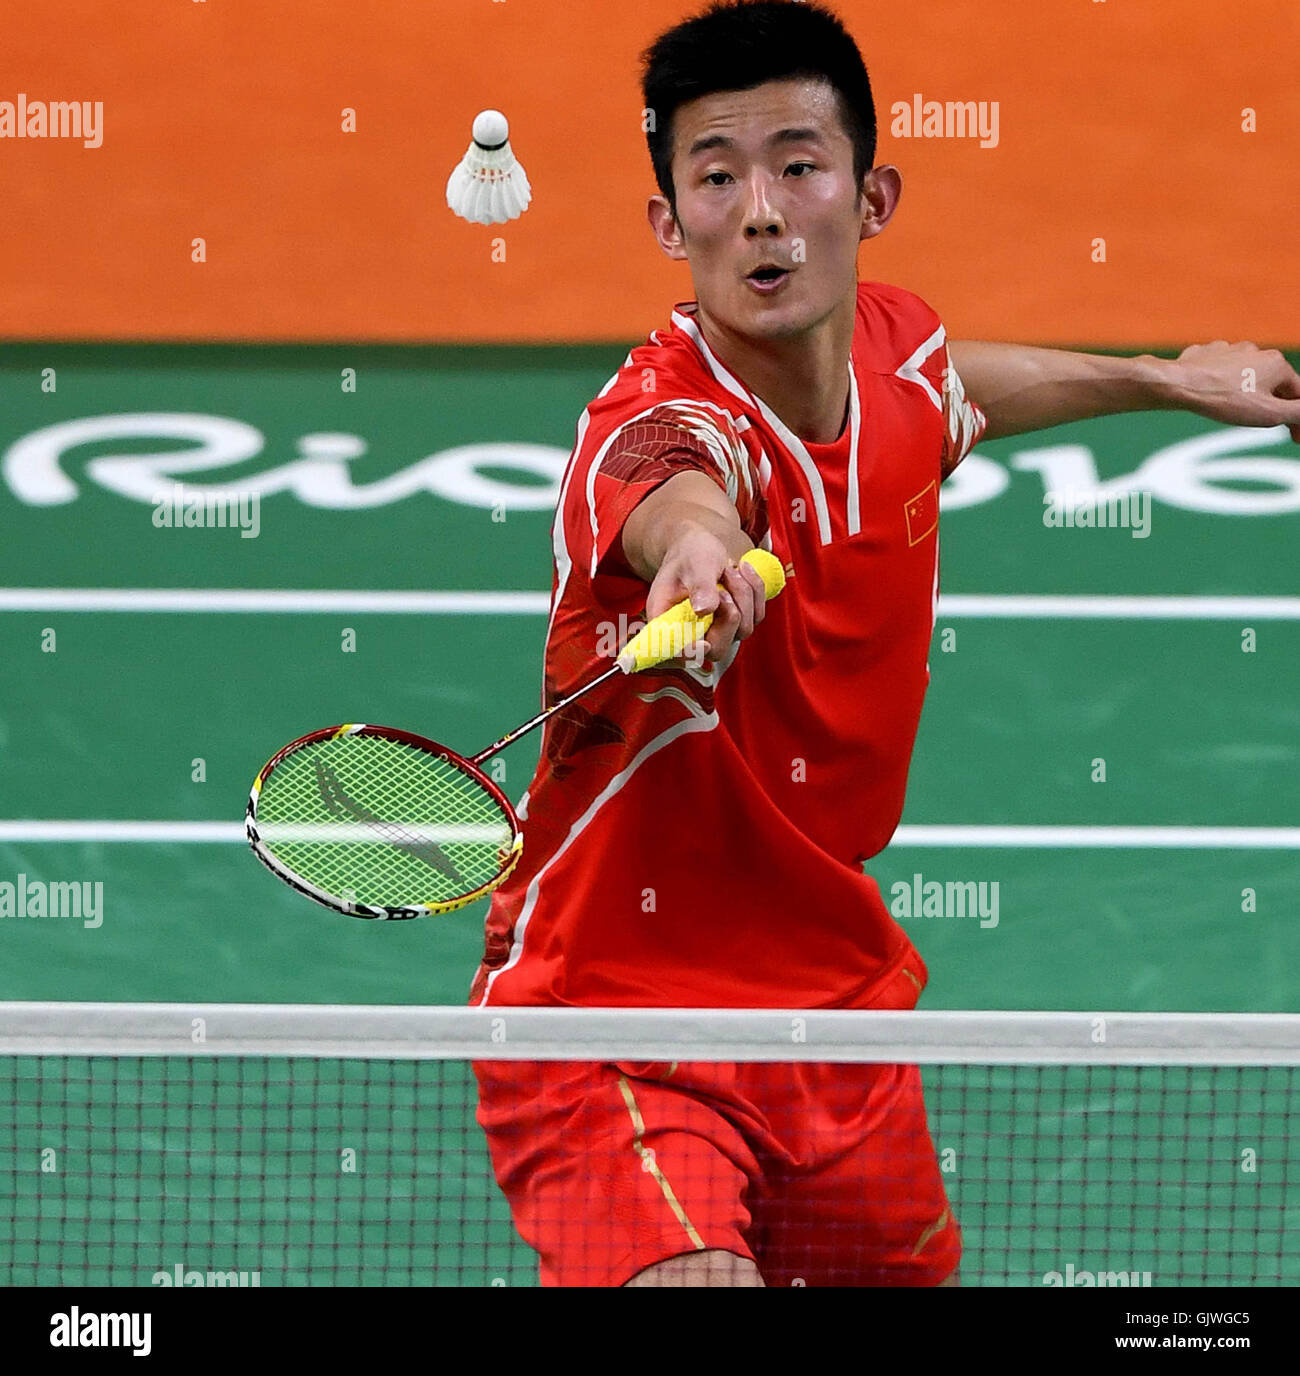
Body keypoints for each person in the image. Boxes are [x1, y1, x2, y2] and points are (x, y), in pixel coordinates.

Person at [470, 0, 1300, 1287]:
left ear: (869, 197)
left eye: (799, 165)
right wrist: (690, 546)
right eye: (715, 176)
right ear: (665, 221)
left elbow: (958, 386)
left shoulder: (896, 360)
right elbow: (663, 478)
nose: (760, 209)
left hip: (829, 1002)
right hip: (609, 1014)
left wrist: (1166, 379)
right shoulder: (653, 421)